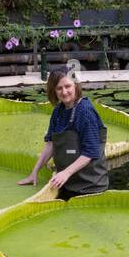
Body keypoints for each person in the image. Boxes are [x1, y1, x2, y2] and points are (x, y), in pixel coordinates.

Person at [18, 66, 110, 200]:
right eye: (59, 88)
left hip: (91, 187)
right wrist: (34, 172)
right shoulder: (58, 111)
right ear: (53, 91)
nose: (64, 92)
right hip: (67, 183)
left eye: (68, 86)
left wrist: (65, 173)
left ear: (76, 86)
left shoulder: (85, 111)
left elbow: (90, 152)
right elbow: (50, 144)